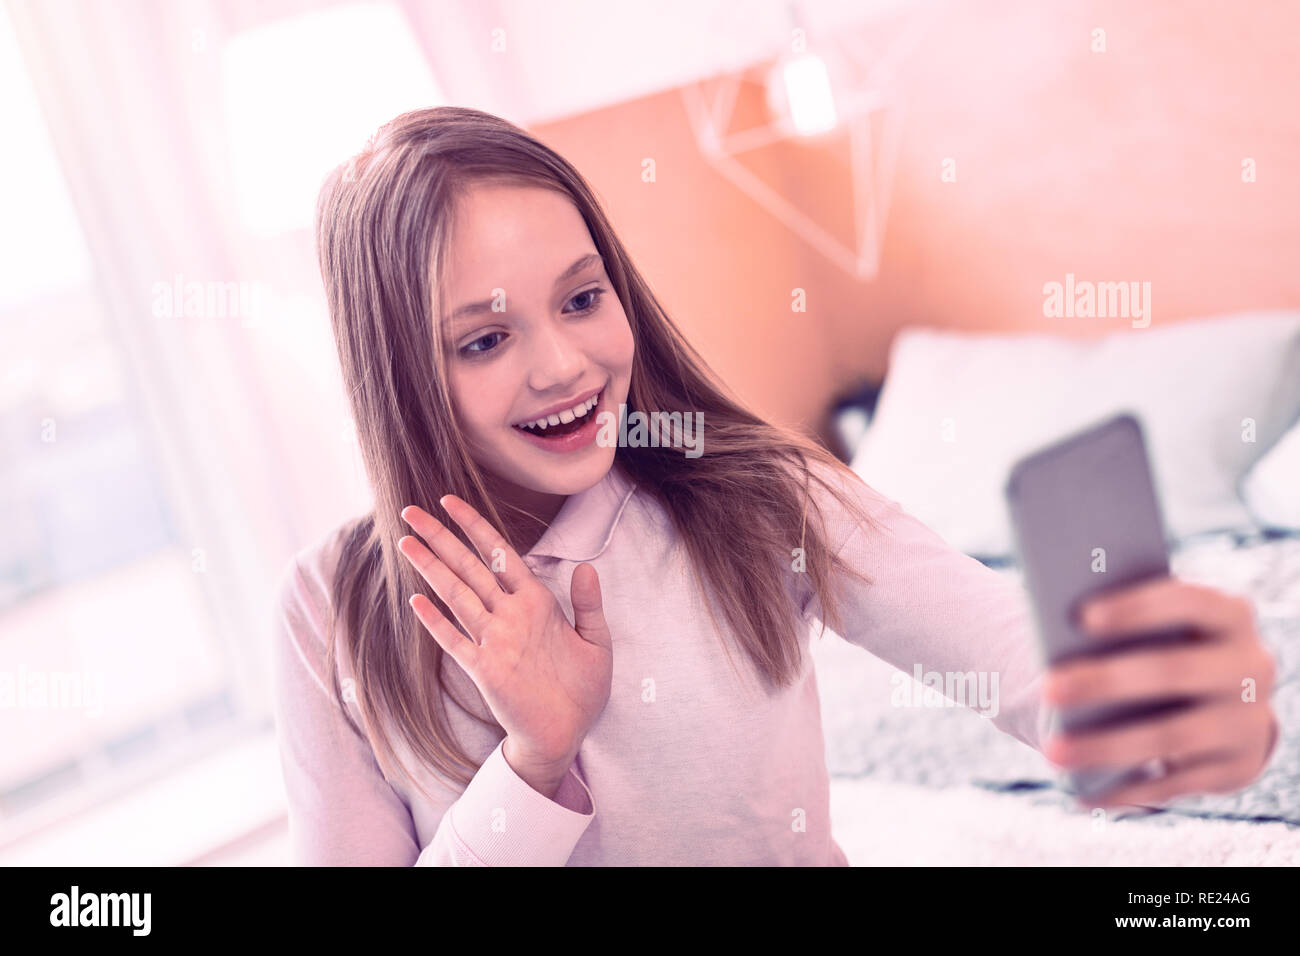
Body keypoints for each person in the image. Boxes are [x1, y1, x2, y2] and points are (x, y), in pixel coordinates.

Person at [272, 106, 1279, 865]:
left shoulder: (758, 495)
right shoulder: (330, 609)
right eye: (486, 338)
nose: (565, 365)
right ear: (399, 369)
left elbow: (1026, 668)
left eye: (584, 298)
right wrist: (536, 757)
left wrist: (1183, 707)